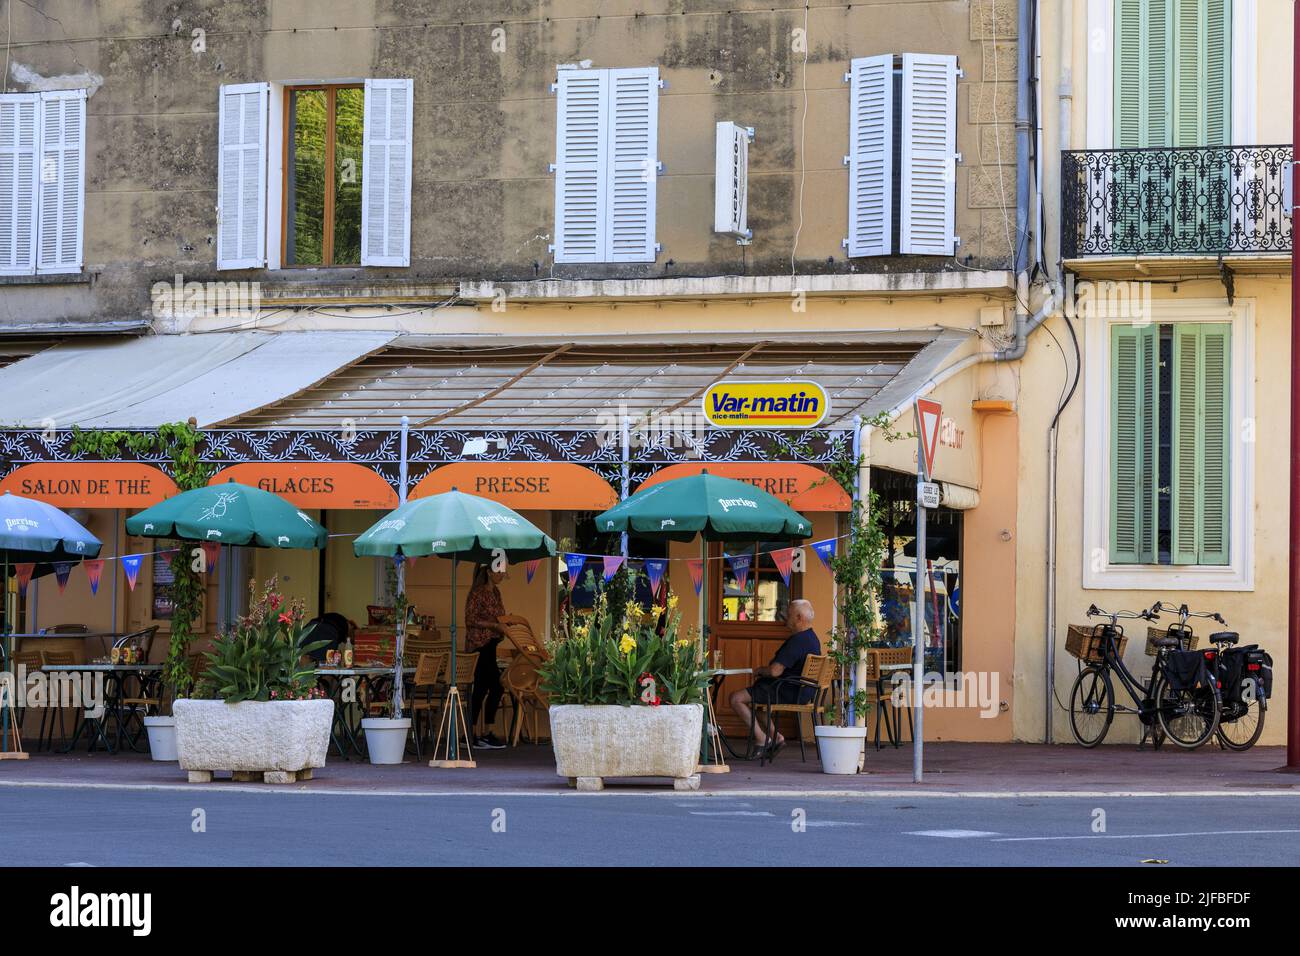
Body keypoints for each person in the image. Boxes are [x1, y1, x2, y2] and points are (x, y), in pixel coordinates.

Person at [728, 599, 820, 752]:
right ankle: (776, 737)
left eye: (788, 615)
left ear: (798, 617)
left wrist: (760, 671)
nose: (784, 618)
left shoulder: (797, 641)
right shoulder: (812, 638)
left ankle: (762, 738)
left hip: (787, 690)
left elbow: (774, 671)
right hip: (804, 691)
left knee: (735, 698)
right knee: (758, 702)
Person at [464, 564, 510, 750]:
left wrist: (505, 623)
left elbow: (499, 616)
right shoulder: (477, 593)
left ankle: (482, 733)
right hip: (479, 645)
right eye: (499, 572)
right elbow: (470, 620)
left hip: (491, 645)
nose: (502, 575)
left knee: (489, 688)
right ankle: (475, 733)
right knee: (486, 688)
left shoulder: (496, 592)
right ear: (490, 573)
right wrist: (493, 626)